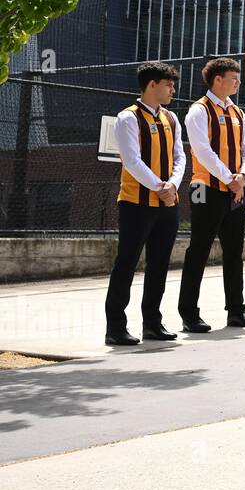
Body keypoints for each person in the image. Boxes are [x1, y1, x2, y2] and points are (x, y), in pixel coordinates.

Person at [105, 62, 186, 346]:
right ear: (152, 85)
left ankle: (152, 323)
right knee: (126, 262)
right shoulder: (127, 118)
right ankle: (115, 328)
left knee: (159, 264)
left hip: (167, 203)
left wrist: (172, 185)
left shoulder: (172, 119)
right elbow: (131, 160)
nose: (172, 89)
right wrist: (159, 186)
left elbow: (180, 157)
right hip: (135, 203)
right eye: (168, 84)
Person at [179, 57, 245, 333]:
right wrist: (231, 179)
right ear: (217, 80)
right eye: (233, 77)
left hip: (234, 191)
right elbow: (202, 151)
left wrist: (243, 177)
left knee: (234, 250)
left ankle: (236, 310)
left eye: (238, 77)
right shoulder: (198, 111)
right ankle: (189, 314)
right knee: (198, 249)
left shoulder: (238, 113)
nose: (238, 82)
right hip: (206, 188)